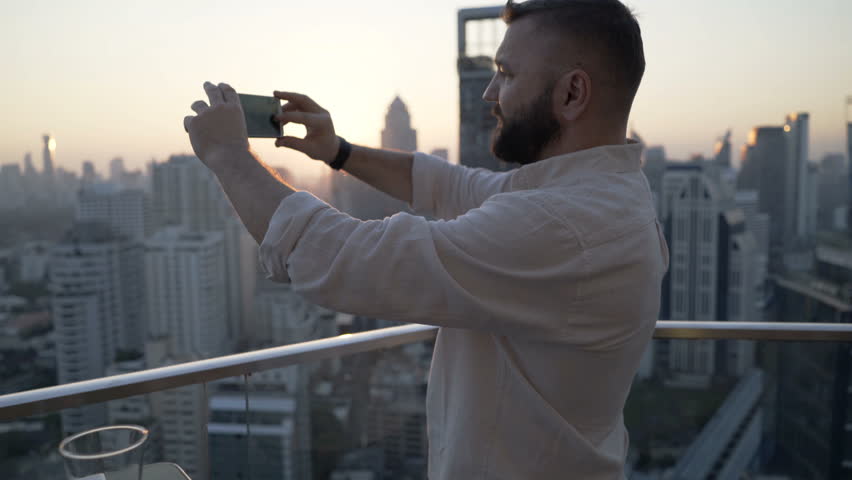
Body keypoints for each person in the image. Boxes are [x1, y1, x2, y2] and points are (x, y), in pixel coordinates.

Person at [183, 0, 668, 477]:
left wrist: (228, 155)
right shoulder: (596, 194)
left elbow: (342, 260)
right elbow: (448, 184)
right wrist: (339, 150)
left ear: (572, 94)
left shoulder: (564, 226)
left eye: (508, 74)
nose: (490, 93)